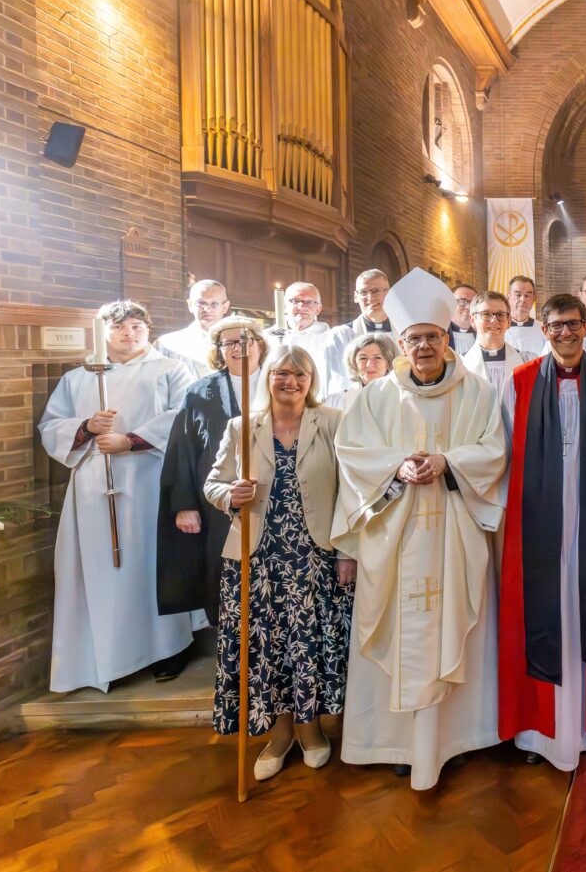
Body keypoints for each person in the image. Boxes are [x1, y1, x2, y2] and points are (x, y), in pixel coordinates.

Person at [333, 268, 509, 790]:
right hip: (396, 533)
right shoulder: (375, 397)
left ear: (446, 337)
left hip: (455, 534)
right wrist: (397, 467)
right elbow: (352, 454)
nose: (425, 346)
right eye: (414, 339)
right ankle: (396, 743)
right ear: (401, 345)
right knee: (395, 627)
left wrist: (447, 461)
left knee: (459, 622)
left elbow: (494, 450)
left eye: (433, 337)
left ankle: (455, 738)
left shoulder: (476, 392)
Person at [497, 293, 586, 770]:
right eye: (555, 325)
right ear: (543, 330)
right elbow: (500, 453)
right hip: (539, 517)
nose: (565, 332)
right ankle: (545, 730)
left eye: (573, 324)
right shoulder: (518, 383)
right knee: (548, 607)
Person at [204, 345, 354, 780]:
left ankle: (312, 732)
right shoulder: (242, 428)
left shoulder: (331, 423)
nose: (290, 381)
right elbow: (213, 482)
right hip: (257, 558)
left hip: (314, 557)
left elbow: (350, 490)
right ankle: (279, 734)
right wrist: (230, 494)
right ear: (267, 377)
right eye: (282, 373)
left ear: (312, 382)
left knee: (307, 646)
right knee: (266, 649)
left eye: (300, 375)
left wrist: (346, 551)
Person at [39, 301, 195, 692]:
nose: (131, 333)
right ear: (104, 332)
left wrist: (132, 440)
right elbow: (50, 425)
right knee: (101, 567)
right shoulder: (79, 378)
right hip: (94, 484)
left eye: (138, 325)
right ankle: (104, 654)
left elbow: (185, 416)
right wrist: (86, 426)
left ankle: (166, 648)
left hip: (149, 479)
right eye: (121, 326)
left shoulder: (169, 369)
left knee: (150, 561)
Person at [156, 316, 269, 677]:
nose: (239, 348)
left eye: (246, 340)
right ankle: (234, 657)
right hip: (218, 502)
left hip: (273, 499)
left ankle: (270, 654)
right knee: (225, 575)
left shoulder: (277, 381)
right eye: (229, 343)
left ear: (260, 345)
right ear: (219, 351)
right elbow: (183, 450)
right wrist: (184, 504)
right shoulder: (201, 391)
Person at [325, 270, 393, 395]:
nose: (370, 297)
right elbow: (340, 384)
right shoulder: (341, 335)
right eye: (364, 292)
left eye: (376, 291)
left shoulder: (405, 334)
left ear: (389, 293)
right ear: (355, 297)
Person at [156, 280, 232, 380]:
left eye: (214, 304)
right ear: (190, 305)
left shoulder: (240, 343)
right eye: (201, 303)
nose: (207, 309)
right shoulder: (167, 344)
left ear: (225, 307)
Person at [463, 291, 534, 396]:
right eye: (486, 314)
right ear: (472, 320)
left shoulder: (527, 361)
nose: (494, 320)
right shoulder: (461, 365)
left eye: (500, 315)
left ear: (509, 321)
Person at [272, 282, 338, 390]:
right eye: (295, 301)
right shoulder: (268, 337)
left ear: (318, 309)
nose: (301, 306)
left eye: (309, 302)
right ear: (284, 306)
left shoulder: (330, 338)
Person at [323, 332, 397, 411]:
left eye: (377, 357)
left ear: (389, 362)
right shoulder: (337, 400)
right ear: (353, 363)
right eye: (363, 358)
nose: (369, 364)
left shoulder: (401, 397)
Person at [505, 275, 547, 356]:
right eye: (518, 295)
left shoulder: (543, 330)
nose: (523, 299)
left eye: (527, 295)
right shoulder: (498, 329)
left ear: (533, 299)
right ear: (508, 297)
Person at [450, 283, 479, 356]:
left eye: (473, 303)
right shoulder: (440, 336)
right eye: (462, 302)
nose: (469, 307)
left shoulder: (481, 335)